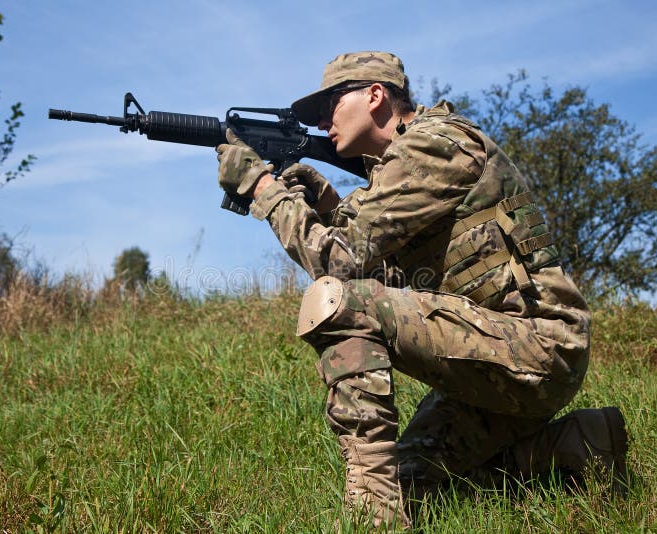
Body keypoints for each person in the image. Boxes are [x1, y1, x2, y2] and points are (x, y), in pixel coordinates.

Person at [216, 51, 628, 529]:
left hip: (538, 347)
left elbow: (339, 266)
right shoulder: (404, 163)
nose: (323, 121)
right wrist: (328, 205)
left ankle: (375, 516)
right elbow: (386, 280)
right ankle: (579, 446)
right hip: (495, 353)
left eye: (330, 104)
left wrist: (262, 187)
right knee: (417, 486)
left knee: (338, 302)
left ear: (375, 95)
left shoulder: (433, 146)